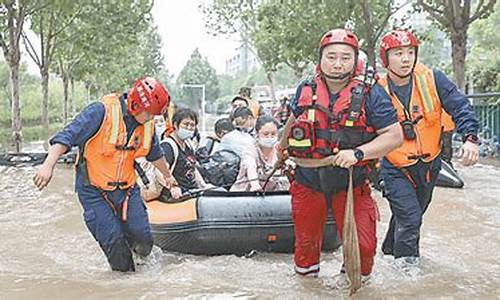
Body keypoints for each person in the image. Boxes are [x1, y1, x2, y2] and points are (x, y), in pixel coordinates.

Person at [277, 28, 403, 279]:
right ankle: (308, 290)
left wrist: (358, 153)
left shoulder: (371, 92)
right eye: (331, 56)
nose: (337, 64)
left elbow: (395, 136)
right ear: (320, 59)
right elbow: (293, 121)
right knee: (306, 246)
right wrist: (281, 151)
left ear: (355, 60)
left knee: (364, 247)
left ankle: (353, 282)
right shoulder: (305, 88)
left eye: (345, 57)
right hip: (308, 180)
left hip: (351, 182)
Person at [32, 77, 180, 272]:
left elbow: (155, 154)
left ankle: (139, 265)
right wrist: (48, 165)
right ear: (135, 104)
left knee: (144, 240)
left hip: (127, 190)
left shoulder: (148, 124)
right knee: (116, 246)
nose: (151, 119)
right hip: (94, 191)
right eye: (149, 114)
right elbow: (66, 136)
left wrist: (168, 176)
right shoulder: (100, 112)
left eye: (154, 115)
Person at [377, 29, 479, 272]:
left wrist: (470, 139)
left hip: (430, 164)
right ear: (386, 58)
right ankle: (407, 272)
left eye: (410, 53)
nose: (405, 59)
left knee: (412, 215)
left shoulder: (433, 79)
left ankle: (389, 252)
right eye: (398, 53)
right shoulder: (377, 90)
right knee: (411, 217)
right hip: (395, 167)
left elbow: (460, 106)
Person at [231, 115, 289, 192]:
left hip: (273, 195)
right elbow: (250, 166)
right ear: (257, 134)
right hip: (245, 195)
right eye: (265, 134)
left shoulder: (279, 149)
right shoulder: (250, 149)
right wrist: (255, 186)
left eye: (273, 134)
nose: (270, 137)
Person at [159, 108, 206, 201]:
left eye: (192, 125)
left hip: (193, 192)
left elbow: (193, 169)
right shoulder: (168, 146)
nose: (189, 128)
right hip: (178, 196)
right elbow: (161, 172)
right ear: (176, 125)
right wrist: (173, 187)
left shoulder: (188, 145)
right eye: (185, 124)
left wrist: (204, 186)